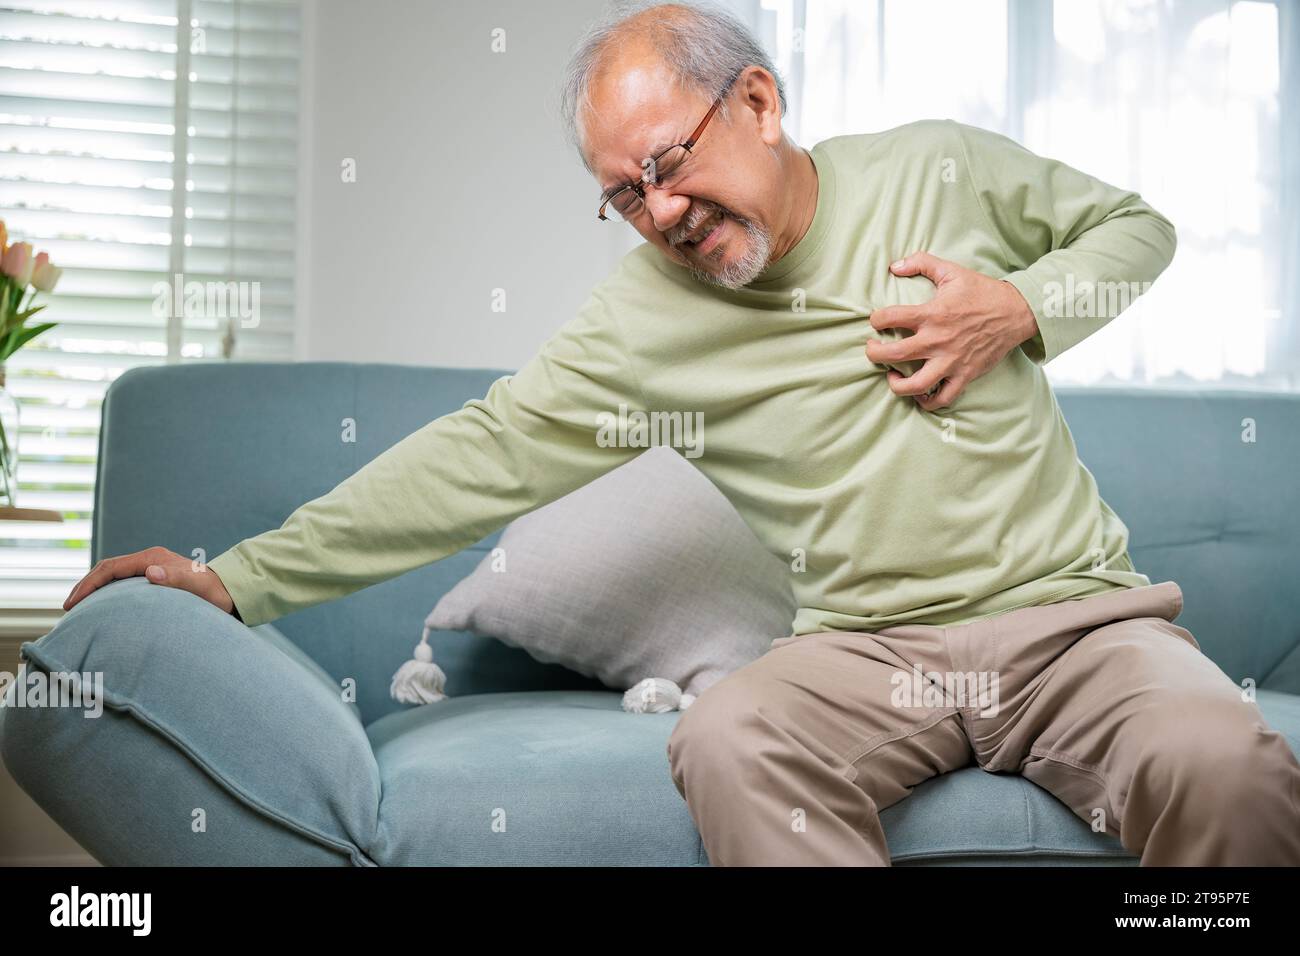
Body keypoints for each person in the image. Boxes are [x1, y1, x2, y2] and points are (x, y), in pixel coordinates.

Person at [62, 1, 1300, 865]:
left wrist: (1023, 304)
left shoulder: (936, 170)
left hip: (1070, 619)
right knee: (731, 734)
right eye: (623, 194)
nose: (659, 210)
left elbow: (1139, 229)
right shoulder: (647, 321)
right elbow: (478, 457)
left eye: (669, 162)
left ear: (756, 100)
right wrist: (234, 577)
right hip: (866, 650)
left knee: (1226, 762)